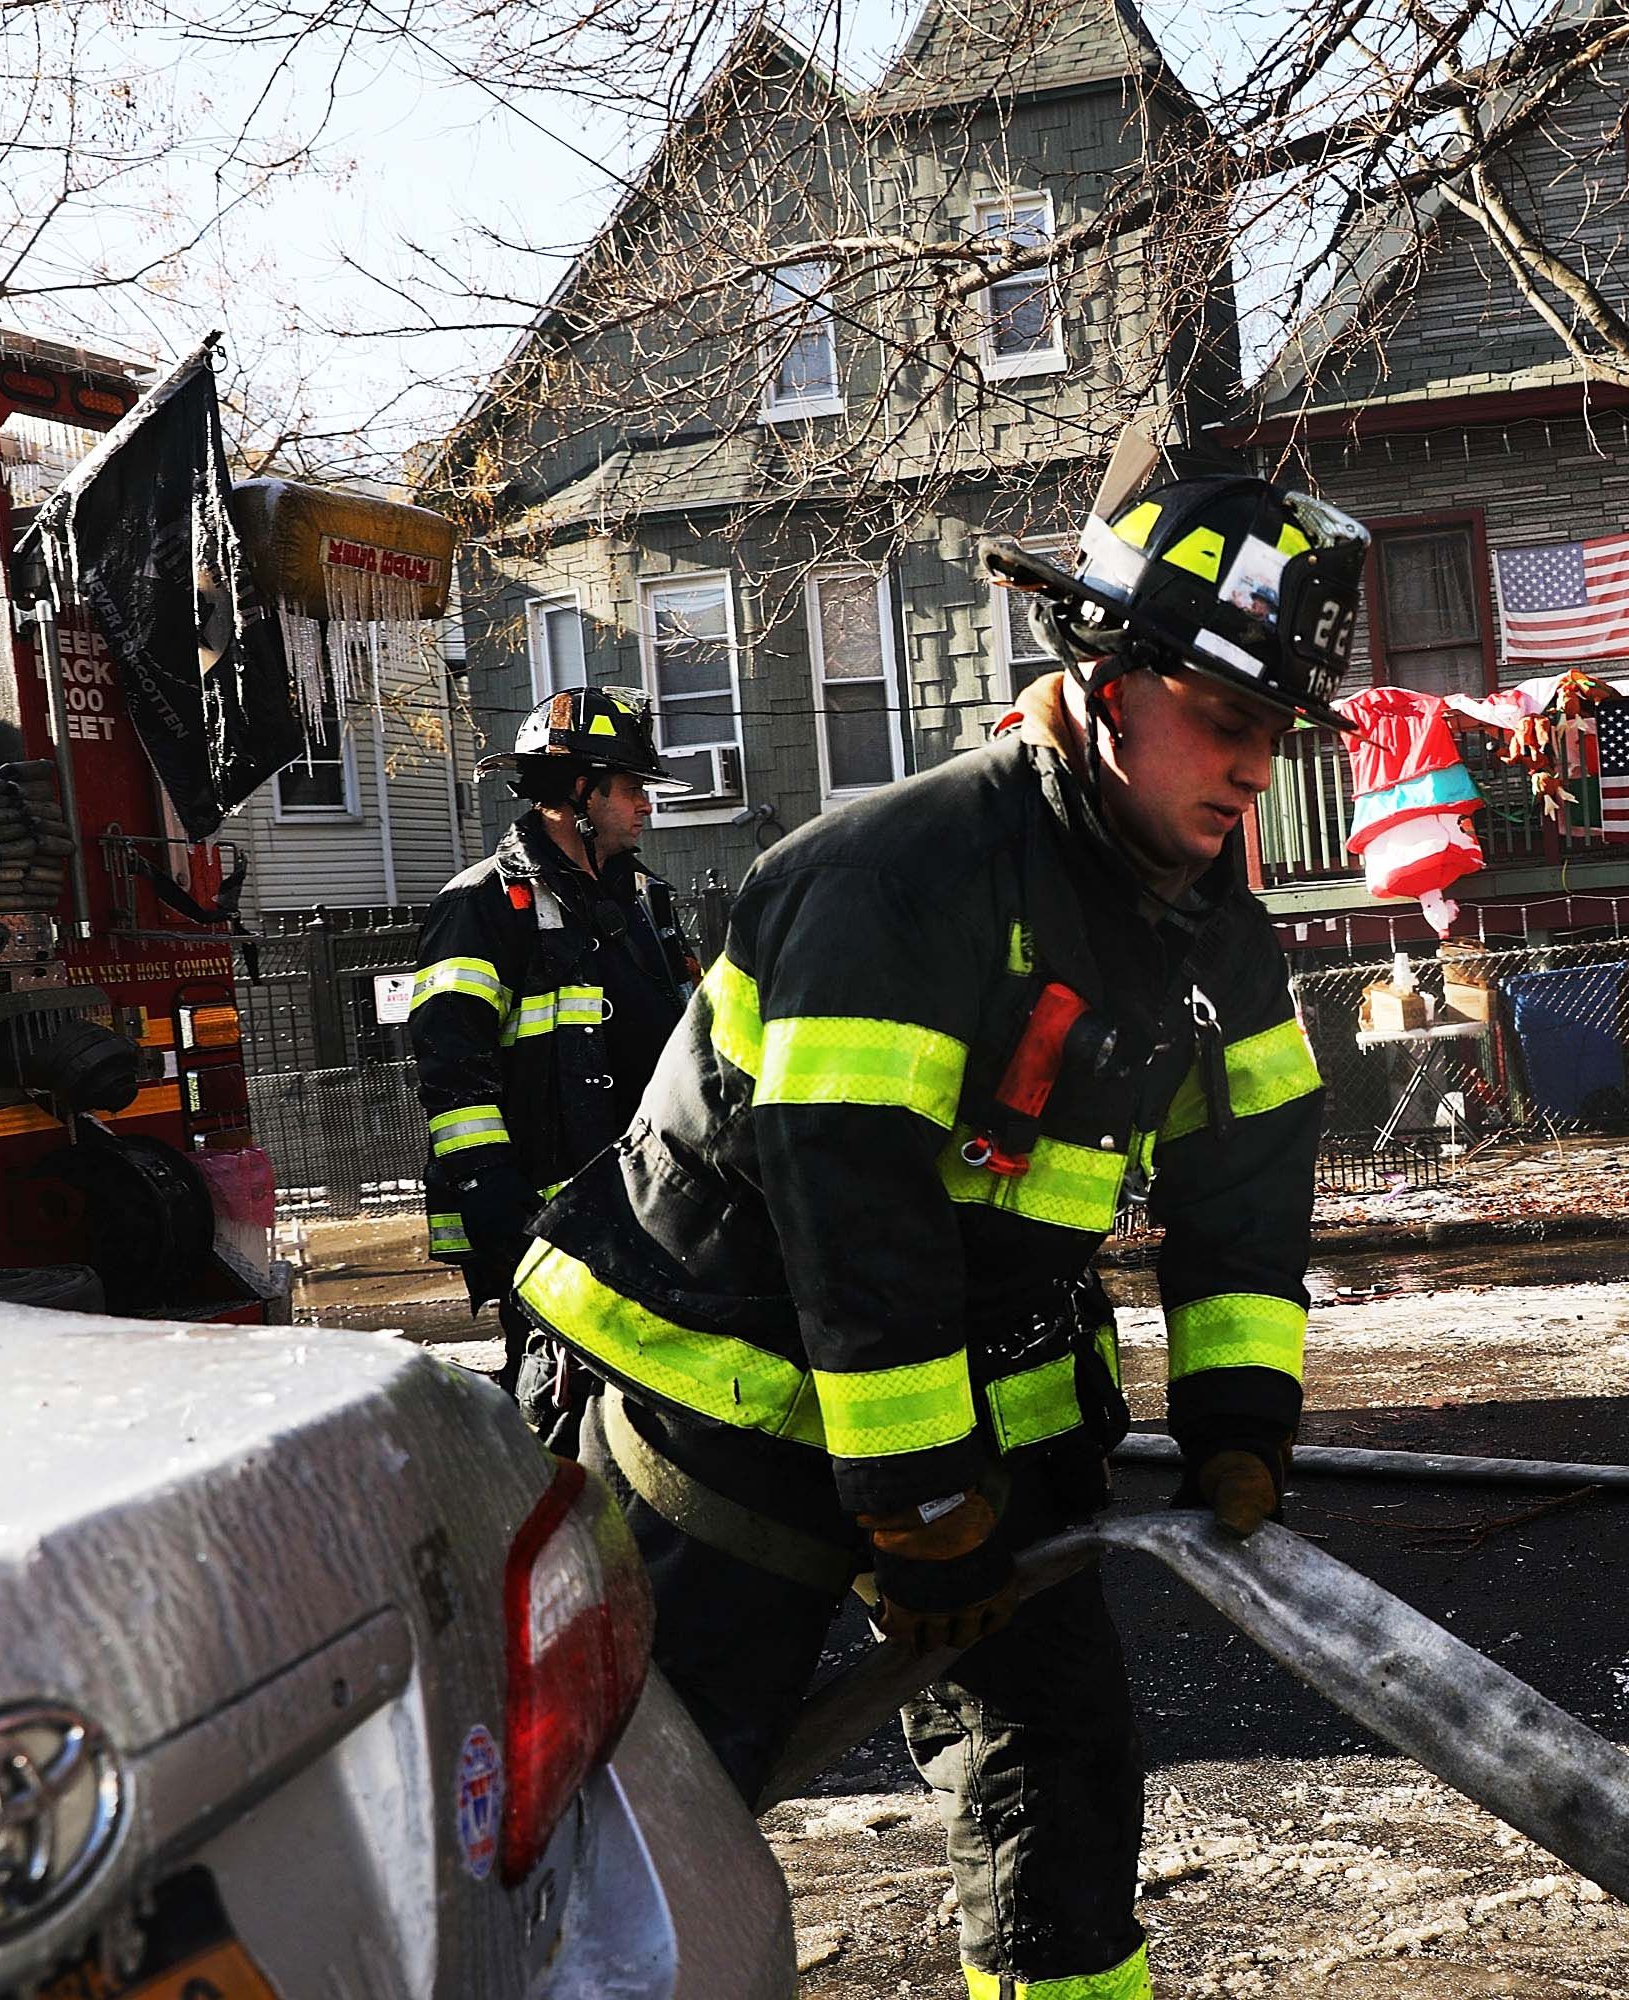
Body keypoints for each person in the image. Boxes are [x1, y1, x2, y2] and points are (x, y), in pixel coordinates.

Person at [507, 438, 1364, 2000]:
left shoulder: (1210, 930)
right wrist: (915, 1493)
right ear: (1109, 680)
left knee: (1063, 1775)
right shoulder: (897, 874)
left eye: (1275, 733)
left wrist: (1242, 1410)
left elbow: (1250, 1174)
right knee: (642, 1818)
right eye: (1226, 721)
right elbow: (853, 1196)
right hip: (725, 1403)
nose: (1255, 768)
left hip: (982, 1404)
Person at [410, 685, 696, 1396]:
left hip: (646, 1207)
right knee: (558, 1399)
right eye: (631, 789)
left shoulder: (644, 901)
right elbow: (451, 1068)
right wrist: (494, 1193)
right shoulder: (481, 907)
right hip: (540, 1218)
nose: (645, 806)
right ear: (578, 791)